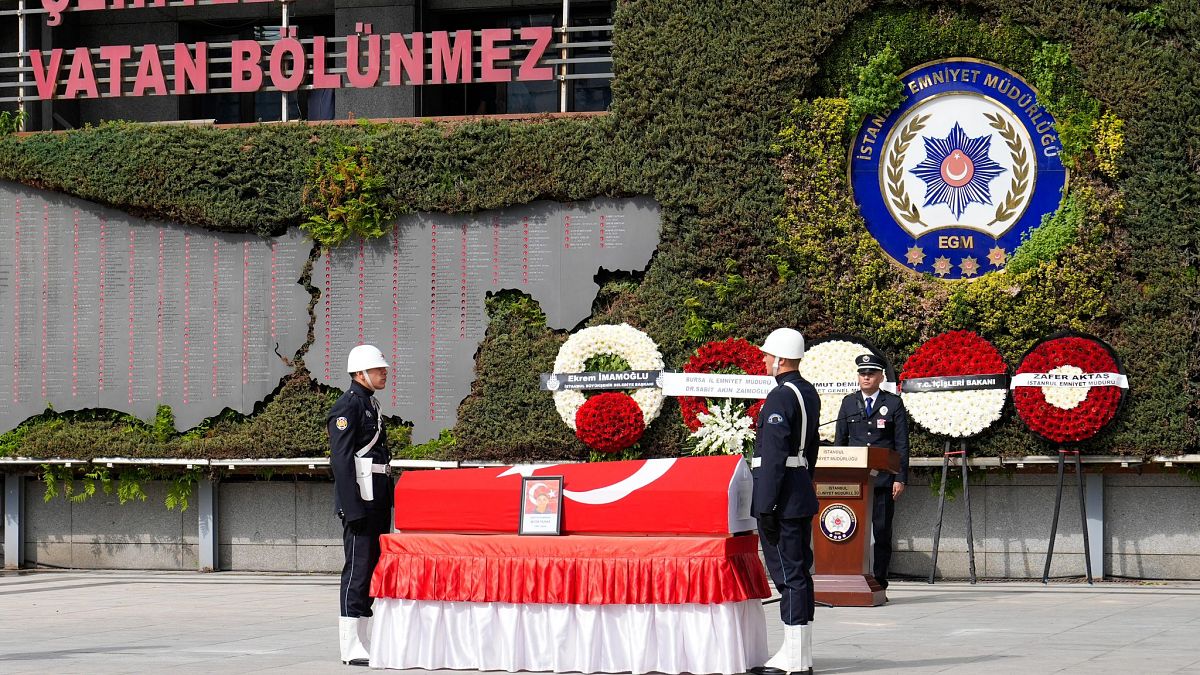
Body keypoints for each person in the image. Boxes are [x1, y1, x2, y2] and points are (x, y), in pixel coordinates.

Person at [751, 327, 820, 675]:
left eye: (767, 355)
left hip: (781, 497)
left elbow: (775, 455)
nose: (764, 360)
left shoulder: (780, 397)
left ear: (779, 359)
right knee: (800, 574)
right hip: (799, 491)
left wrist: (766, 506)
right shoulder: (807, 392)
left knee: (788, 575)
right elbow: (812, 450)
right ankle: (800, 652)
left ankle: (794, 657)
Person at [329, 344, 395, 666]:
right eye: (378, 369)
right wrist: (351, 508)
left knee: (371, 570)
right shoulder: (348, 407)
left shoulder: (370, 404)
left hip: (376, 500)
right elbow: (341, 462)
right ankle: (351, 645)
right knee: (357, 571)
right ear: (360, 373)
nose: (384, 373)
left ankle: (365, 640)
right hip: (360, 503)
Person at [833, 353, 909, 592]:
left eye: (871, 374)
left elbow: (901, 444)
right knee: (850, 529)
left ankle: (880, 582)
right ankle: (852, 576)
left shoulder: (893, 403)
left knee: (882, 532)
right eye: (863, 374)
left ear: (881, 377)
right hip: (855, 481)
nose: (866, 377)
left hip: (884, 480)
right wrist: (838, 474)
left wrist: (900, 477)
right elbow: (840, 442)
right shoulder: (848, 403)